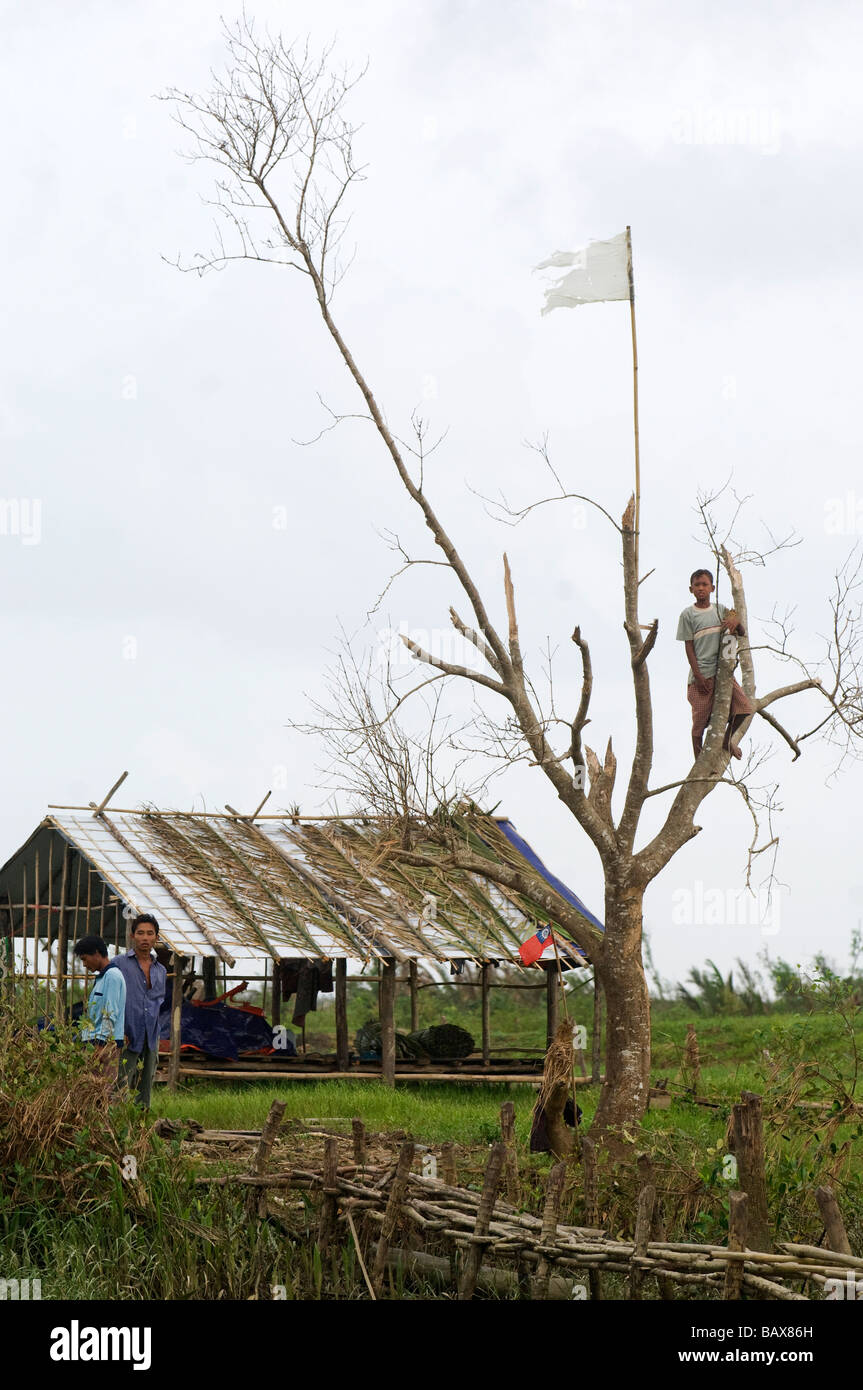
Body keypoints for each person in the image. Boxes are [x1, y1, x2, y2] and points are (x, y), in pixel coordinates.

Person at [676, 568, 753, 761]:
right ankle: (698, 760)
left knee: (744, 708)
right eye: (697, 585)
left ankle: (728, 740)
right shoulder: (688, 615)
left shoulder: (721, 610)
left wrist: (736, 622)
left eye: (705, 584)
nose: (701, 588)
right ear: (691, 589)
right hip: (700, 676)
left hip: (723, 674)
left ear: (712, 588)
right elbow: (689, 648)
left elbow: (741, 632)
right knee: (699, 723)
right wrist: (699, 676)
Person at [108, 913, 167, 1109]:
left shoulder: (161, 970)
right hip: (126, 1035)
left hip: (151, 1037)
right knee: (120, 1086)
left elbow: (158, 1003)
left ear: (156, 938)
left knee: (145, 1088)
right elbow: (109, 1000)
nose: (145, 938)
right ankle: (115, 1131)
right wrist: (116, 1031)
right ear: (133, 936)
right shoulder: (118, 964)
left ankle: (140, 1133)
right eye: (140, 933)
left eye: (150, 933)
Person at [72, 936, 127, 1082]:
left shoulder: (112, 977)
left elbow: (110, 1013)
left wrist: (100, 1044)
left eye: (85, 959)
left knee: (103, 1091)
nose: (84, 964)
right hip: (94, 1042)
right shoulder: (103, 978)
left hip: (104, 1044)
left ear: (97, 953)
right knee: (91, 1090)